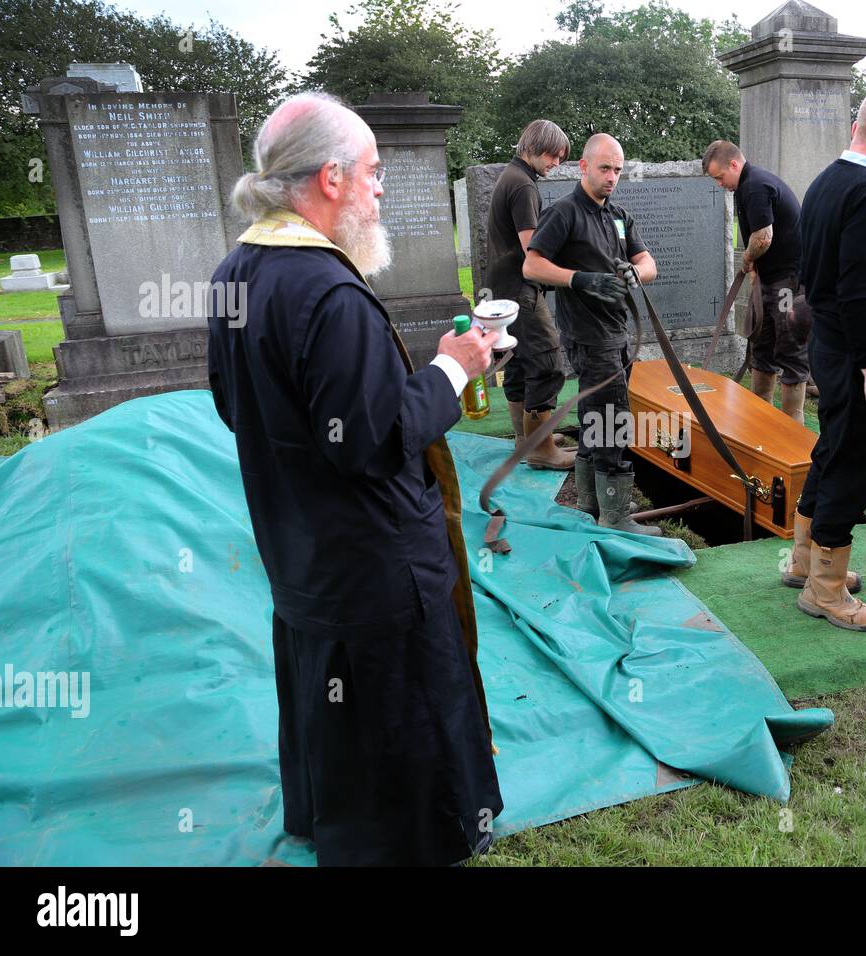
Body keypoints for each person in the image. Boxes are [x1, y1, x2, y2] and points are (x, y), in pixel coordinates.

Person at [206, 92, 503, 865]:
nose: (379, 189)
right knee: (403, 702)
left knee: (330, 695)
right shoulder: (329, 292)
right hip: (374, 564)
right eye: (372, 173)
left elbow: (236, 405)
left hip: (300, 546)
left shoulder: (238, 271)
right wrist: (454, 365)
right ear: (331, 178)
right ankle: (420, 834)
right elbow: (372, 441)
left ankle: (324, 815)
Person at [785, 89, 866, 631]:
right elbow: (857, 289)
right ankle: (826, 590)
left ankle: (803, 561)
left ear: (858, 125)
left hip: (831, 345)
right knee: (853, 462)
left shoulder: (827, 179)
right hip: (855, 353)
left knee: (832, 448)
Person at [522, 133, 662, 536]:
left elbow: (647, 260)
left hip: (617, 332)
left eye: (617, 169)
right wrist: (579, 279)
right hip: (589, 335)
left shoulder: (616, 214)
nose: (612, 176)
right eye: (604, 168)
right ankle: (615, 516)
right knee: (612, 418)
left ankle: (592, 501)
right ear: (583, 167)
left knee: (597, 416)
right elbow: (531, 267)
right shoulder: (564, 213)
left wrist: (637, 273)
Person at [485, 119, 574, 469]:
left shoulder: (512, 176)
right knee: (547, 360)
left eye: (561, 157)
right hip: (519, 290)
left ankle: (526, 438)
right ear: (535, 147)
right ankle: (540, 450)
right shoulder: (523, 186)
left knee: (520, 363)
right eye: (553, 155)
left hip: (500, 287)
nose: (556, 163)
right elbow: (532, 250)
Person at [702, 140, 812, 423]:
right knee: (761, 350)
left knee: (790, 355)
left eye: (719, 177)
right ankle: (759, 423)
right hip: (770, 279)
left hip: (789, 282)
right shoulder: (744, 185)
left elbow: (763, 236)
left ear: (734, 165)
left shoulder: (755, 185)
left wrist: (748, 259)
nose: (719, 184)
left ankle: (791, 432)